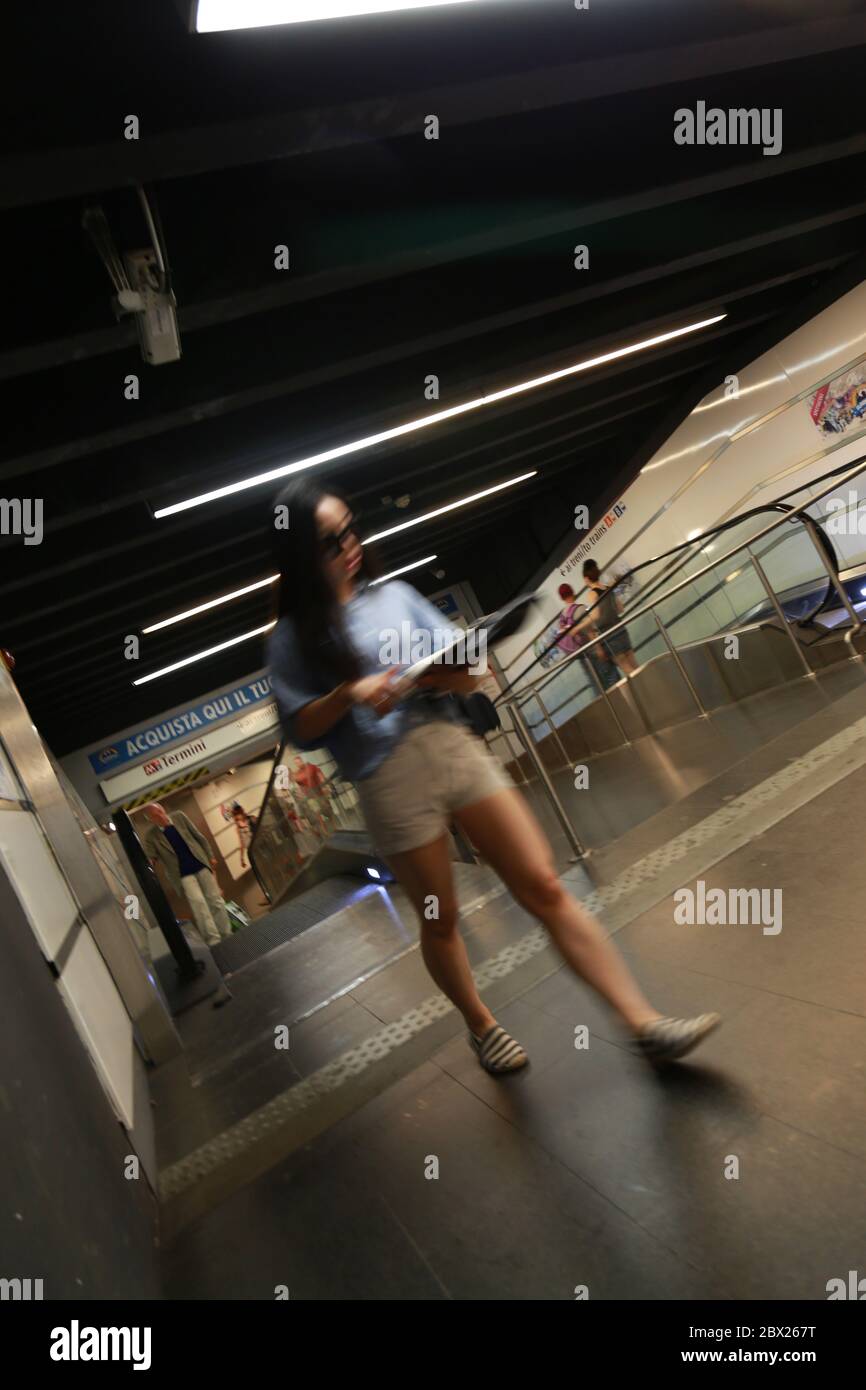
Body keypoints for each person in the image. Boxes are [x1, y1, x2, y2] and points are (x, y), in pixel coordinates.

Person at [267, 479, 720, 1074]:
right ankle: (480, 1025)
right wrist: (351, 691)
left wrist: (430, 675)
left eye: (351, 529)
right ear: (301, 555)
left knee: (544, 885)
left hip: (452, 747)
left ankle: (642, 1022)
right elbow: (301, 726)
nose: (349, 545)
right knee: (441, 918)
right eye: (330, 541)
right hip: (388, 779)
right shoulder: (290, 641)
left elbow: (471, 672)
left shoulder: (396, 598)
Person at [141, 802, 232, 948]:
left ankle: (227, 934)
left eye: (160, 811)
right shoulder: (151, 836)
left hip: (200, 863)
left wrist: (210, 856)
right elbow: (151, 856)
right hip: (182, 874)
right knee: (199, 905)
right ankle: (213, 941)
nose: (160, 816)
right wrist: (149, 864)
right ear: (151, 820)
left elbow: (198, 836)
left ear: (163, 809)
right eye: (155, 815)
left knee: (215, 900)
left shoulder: (179, 817)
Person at [555, 582, 620, 690]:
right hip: (593, 651)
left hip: (582, 656)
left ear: (561, 597)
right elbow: (590, 631)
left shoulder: (562, 617)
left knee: (598, 686)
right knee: (612, 678)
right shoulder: (580, 609)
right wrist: (599, 649)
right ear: (572, 592)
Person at [580, 560, 639, 677]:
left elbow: (595, 615)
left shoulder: (592, 593)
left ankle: (646, 693)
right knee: (635, 666)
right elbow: (620, 608)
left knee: (627, 670)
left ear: (586, 578)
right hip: (620, 629)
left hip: (608, 634)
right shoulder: (608, 588)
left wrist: (578, 628)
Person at [230, 801, 257, 871]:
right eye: (236, 814)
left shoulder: (252, 818)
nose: (238, 815)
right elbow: (241, 844)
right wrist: (242, 859)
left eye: (239, 811)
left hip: (261, 845)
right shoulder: (238, 829)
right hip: (253, 852)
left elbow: (262, 829)